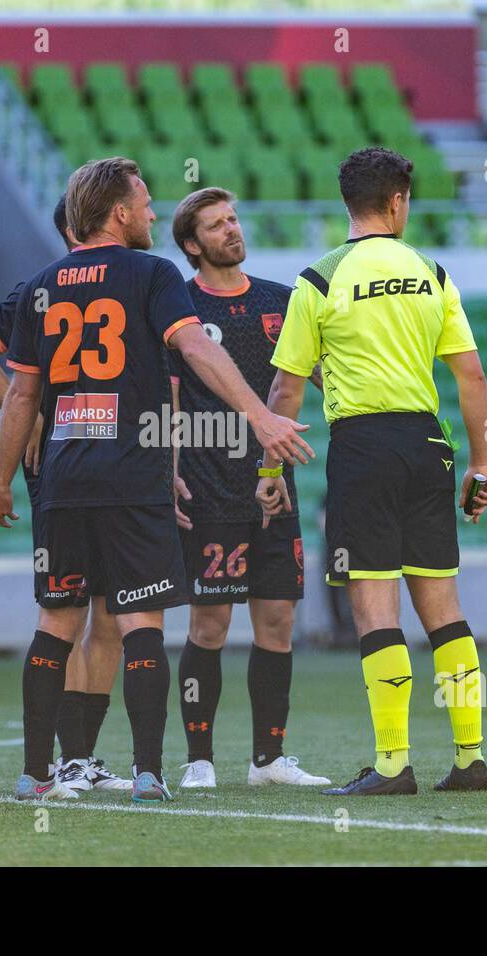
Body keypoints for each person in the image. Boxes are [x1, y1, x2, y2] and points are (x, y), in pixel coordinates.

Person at [0, 156, 312, 803]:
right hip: (134, 476)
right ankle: (150, 774)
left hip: (65, 478)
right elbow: (197, 349)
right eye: (147, 202)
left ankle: (37, 776)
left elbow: (20, 395)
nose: (154, 212)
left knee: (55, 623)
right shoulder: (153, 274)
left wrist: (0, 482)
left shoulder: (41, 285)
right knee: (142, 625)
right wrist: (259, 416)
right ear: (120, 212)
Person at [258, 147, 487, 796]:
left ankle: (393, 765)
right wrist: (480, 462)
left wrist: (270, 468)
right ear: (398, 203)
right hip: (427, 443)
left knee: (374, 608)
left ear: (350, 204)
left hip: (362, 447)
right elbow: (470, 374)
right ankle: (470, 759)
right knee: (443, 608)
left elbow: (285, 390)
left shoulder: (320, 277)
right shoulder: (431, 271)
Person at [0, 196, 127, 793]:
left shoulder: (136, 284)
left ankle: (79, 757)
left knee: (109, 614)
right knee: (69, 611)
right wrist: (25, 417)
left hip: (120, 463)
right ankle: (53, 761)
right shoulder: (38, 290)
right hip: (68, 464)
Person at [167, 186, 329, 789]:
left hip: (273, 487)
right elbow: (171, 397)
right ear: (192, 243)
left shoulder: (281, 301)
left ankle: (269, 760)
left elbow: (316, 373)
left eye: (233, 219)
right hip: (208, 490)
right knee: (209, 624)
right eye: (216, 225)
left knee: (278, 621)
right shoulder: (179, 307)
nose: (232, 230)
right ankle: (199, 759)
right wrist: (171, 468)